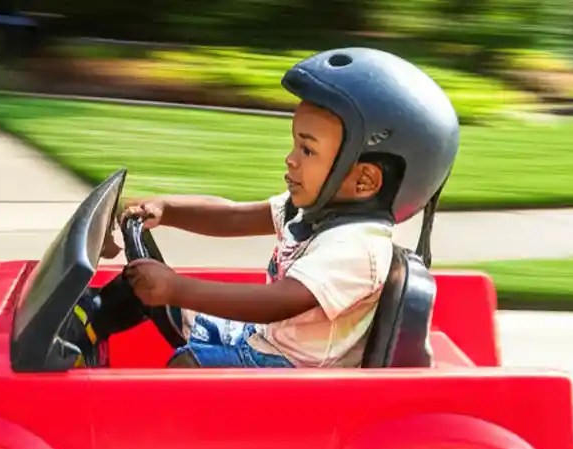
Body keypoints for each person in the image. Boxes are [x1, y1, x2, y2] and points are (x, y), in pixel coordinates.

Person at [118, 48, 460, 369]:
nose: (290, 159)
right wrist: (168, 209)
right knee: (163, 307)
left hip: (295, 372)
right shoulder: (314, 211)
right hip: (268, 340)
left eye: (307, 150)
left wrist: (177, 288)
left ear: (364, 180)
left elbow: (278, 302)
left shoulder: (357, 248)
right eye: (295, 144)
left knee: (187, 369)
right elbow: (234, 215)